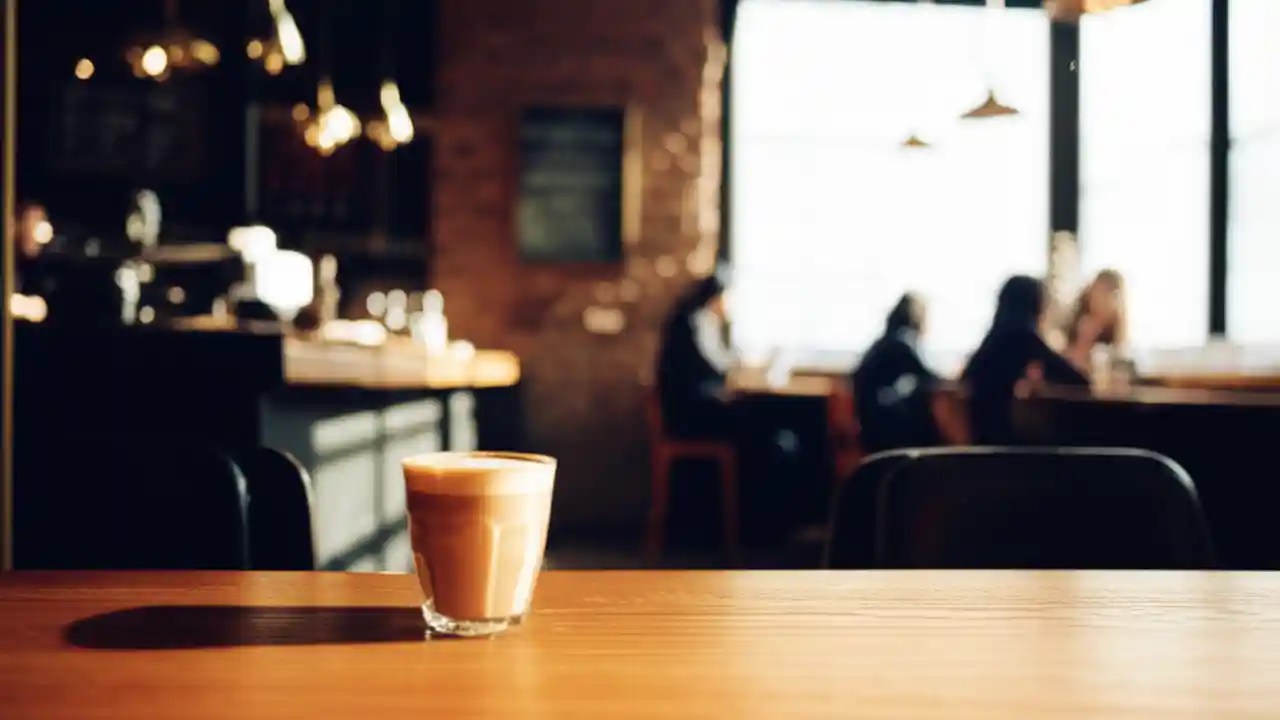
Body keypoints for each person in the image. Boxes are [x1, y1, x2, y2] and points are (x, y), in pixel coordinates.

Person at [962, 275, 1088, 445]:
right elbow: (1078, 381)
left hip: (980, 441)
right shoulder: (1023, 337)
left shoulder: (993, 340)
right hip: (1007, 446)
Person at [852, 293, 940, 453]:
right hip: (886, 426)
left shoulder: (882, 344)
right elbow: (927, 376)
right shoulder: (902, 340)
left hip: (868, 423)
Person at [656, 267, 736, 439]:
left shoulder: (700, 320)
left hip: (692, 402)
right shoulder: (695, 322)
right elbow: (711, 365)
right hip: (686, 411)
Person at [1064, 269, 1127, 370]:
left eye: (1105, 294)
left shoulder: (1115, 332)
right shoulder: (1079, 323)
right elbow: (1068, 361)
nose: (1099, 299)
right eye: (1097, 292)